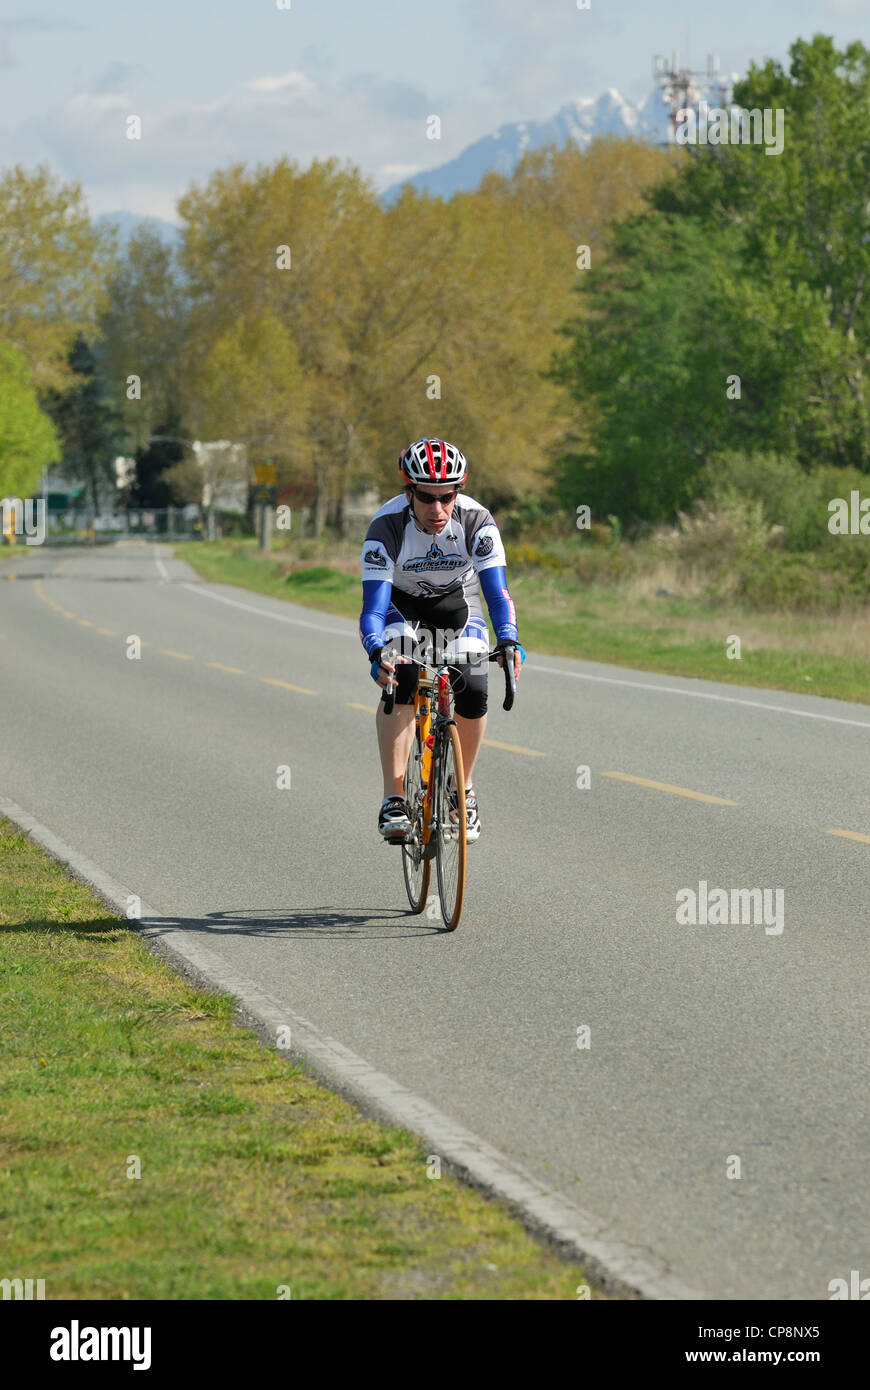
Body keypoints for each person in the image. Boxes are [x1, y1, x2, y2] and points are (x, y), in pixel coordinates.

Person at [359, 437, 524, 844]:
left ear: (458, 492)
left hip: (457, 601)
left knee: (475, 683)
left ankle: (460, 789)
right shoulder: (386, 527)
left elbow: (497, 593)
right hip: (402, 604)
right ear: (408, 492)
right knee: (405, 676)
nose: (437, 510)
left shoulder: (477, 521)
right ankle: (394, 796)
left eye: (446, 498)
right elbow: (374, 609)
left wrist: (508, 639)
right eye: (427, 498)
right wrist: (376, 650)